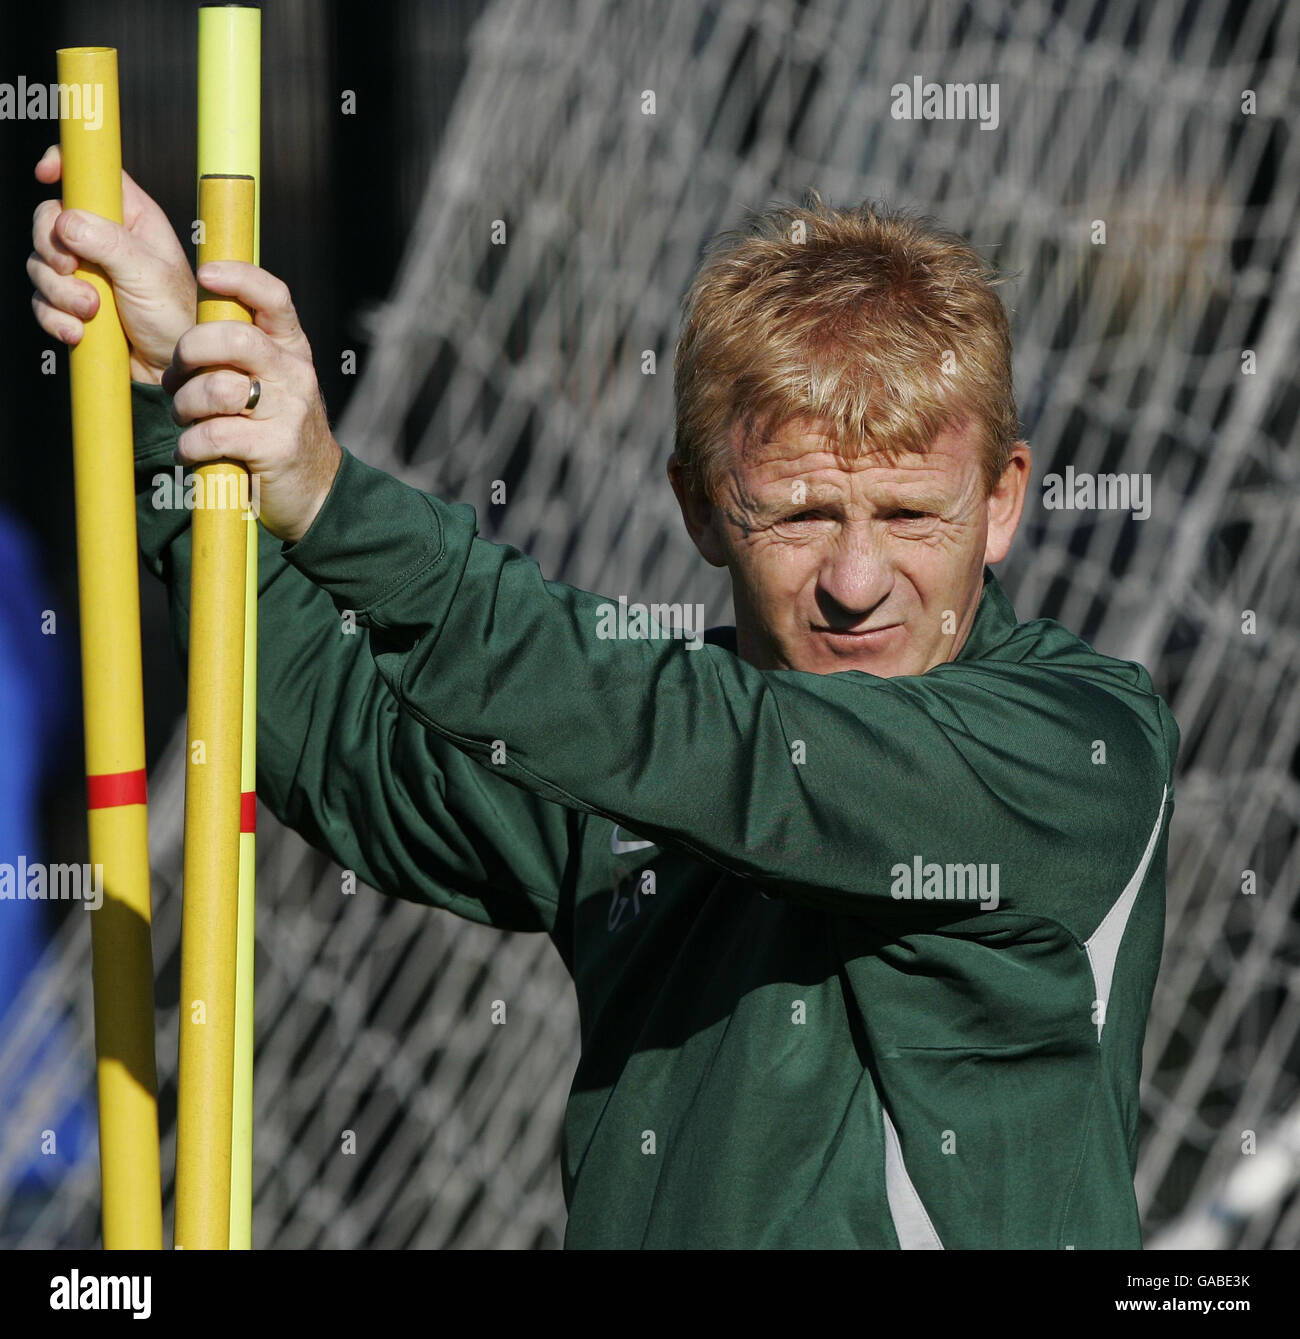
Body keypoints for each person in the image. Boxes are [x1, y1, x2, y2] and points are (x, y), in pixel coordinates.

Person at [29, 143, 1179, 1249]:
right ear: (697, 507)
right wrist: (172, 399)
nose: (855, 581)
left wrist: (334, 501)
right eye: (800, 515)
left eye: (910, 514)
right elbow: (352, 750)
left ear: (1003, 500)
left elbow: (743, 755)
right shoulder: (639, 740)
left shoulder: (1080, 748)